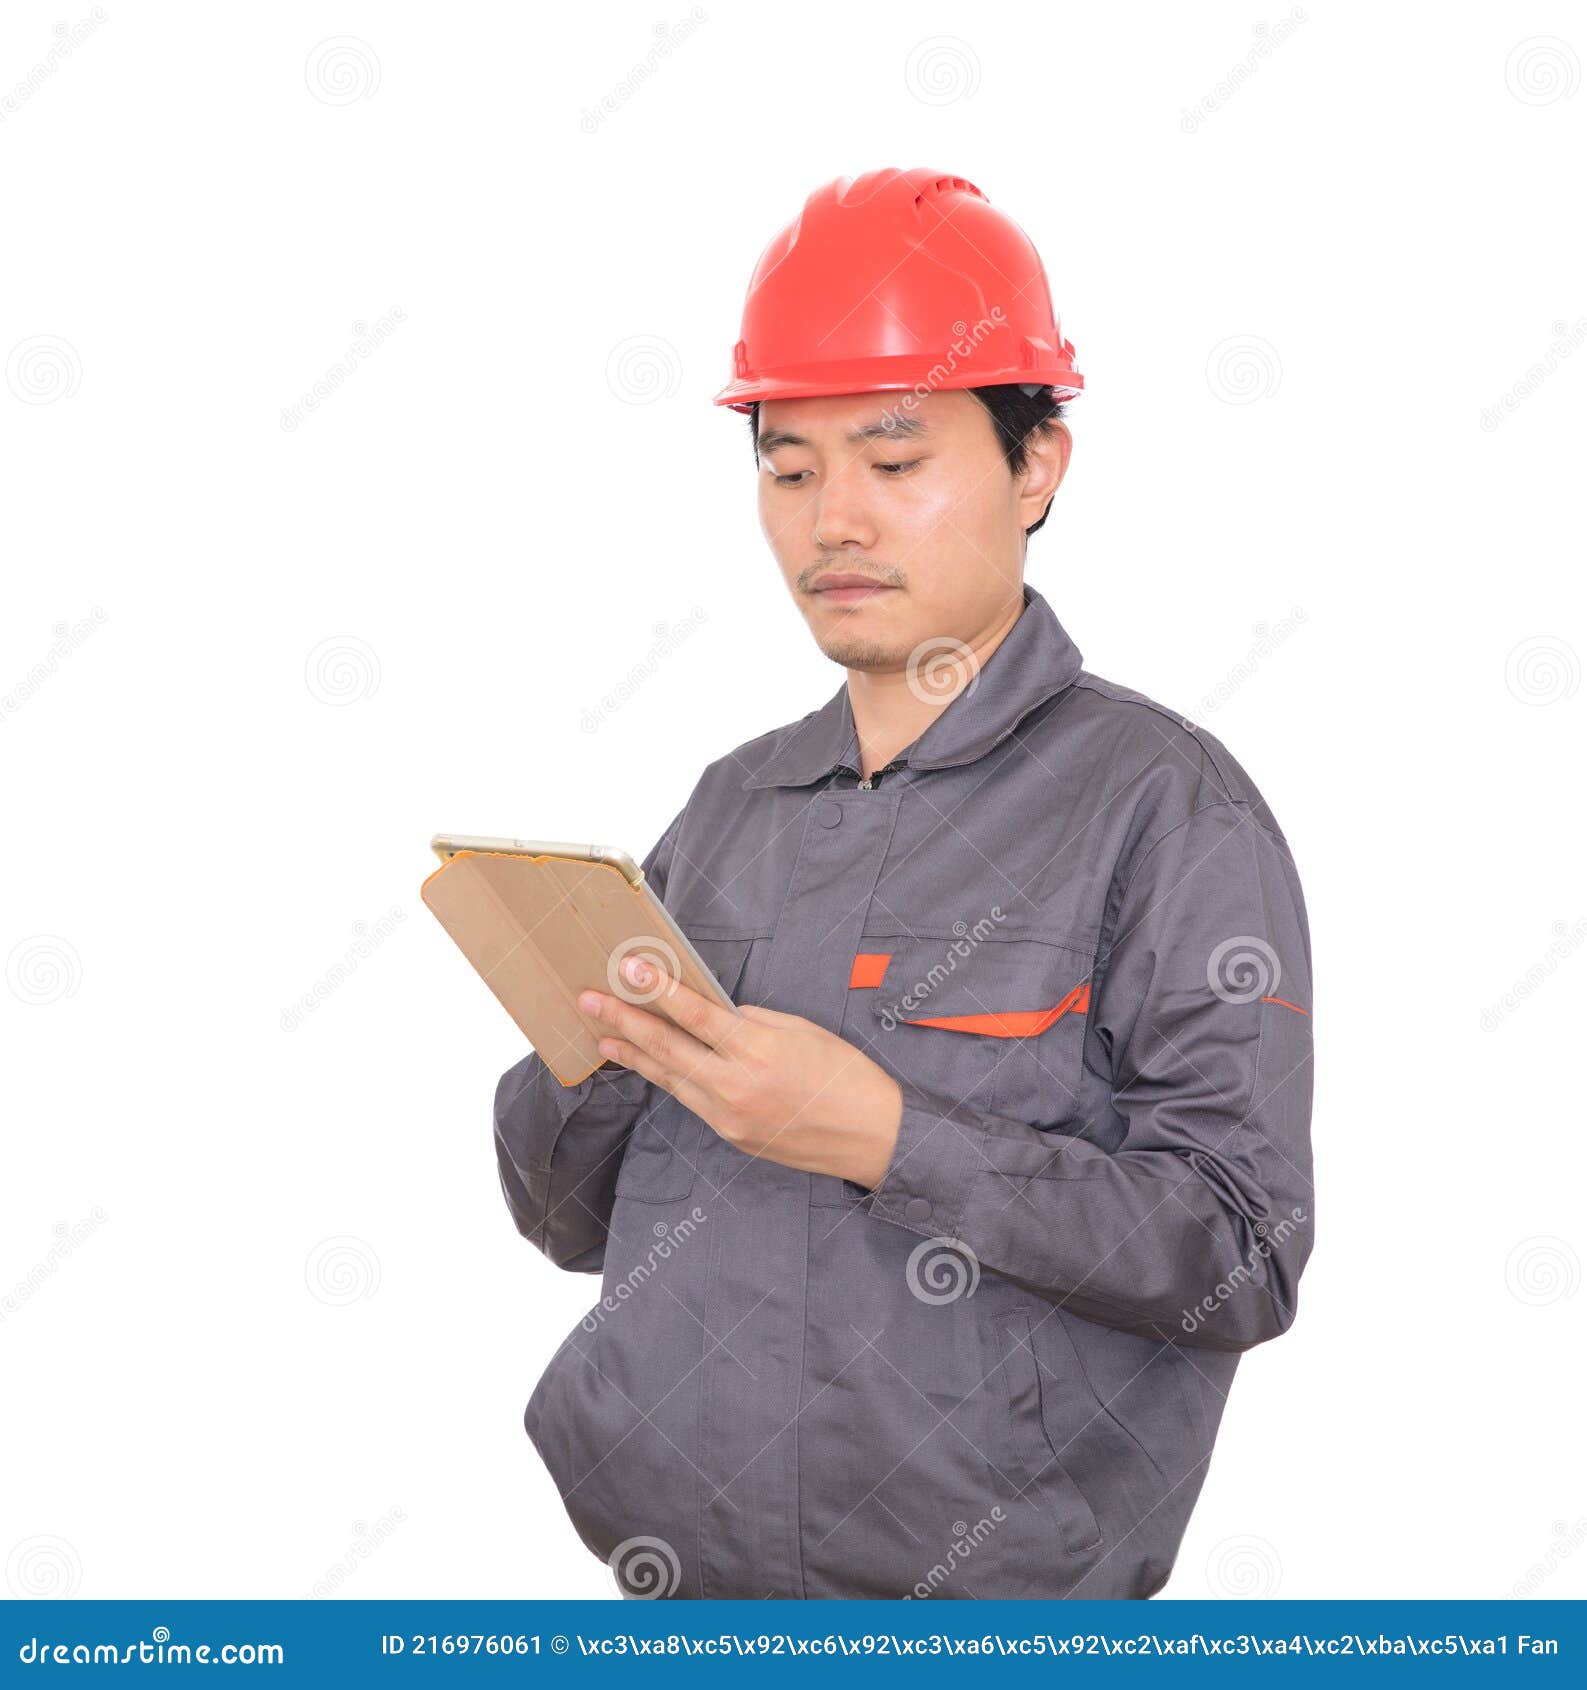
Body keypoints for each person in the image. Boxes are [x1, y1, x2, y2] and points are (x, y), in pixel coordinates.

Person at [494, 168, 1315, 1601]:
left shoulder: (1166, 809)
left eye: (894, 458)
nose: (833, 524)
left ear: (1038, 463)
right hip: (668, 1595)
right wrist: (590, 1055)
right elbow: (568, 1222)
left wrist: (885, 1133)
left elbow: (1238, 1257)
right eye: (791, 467)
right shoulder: (735, 804)